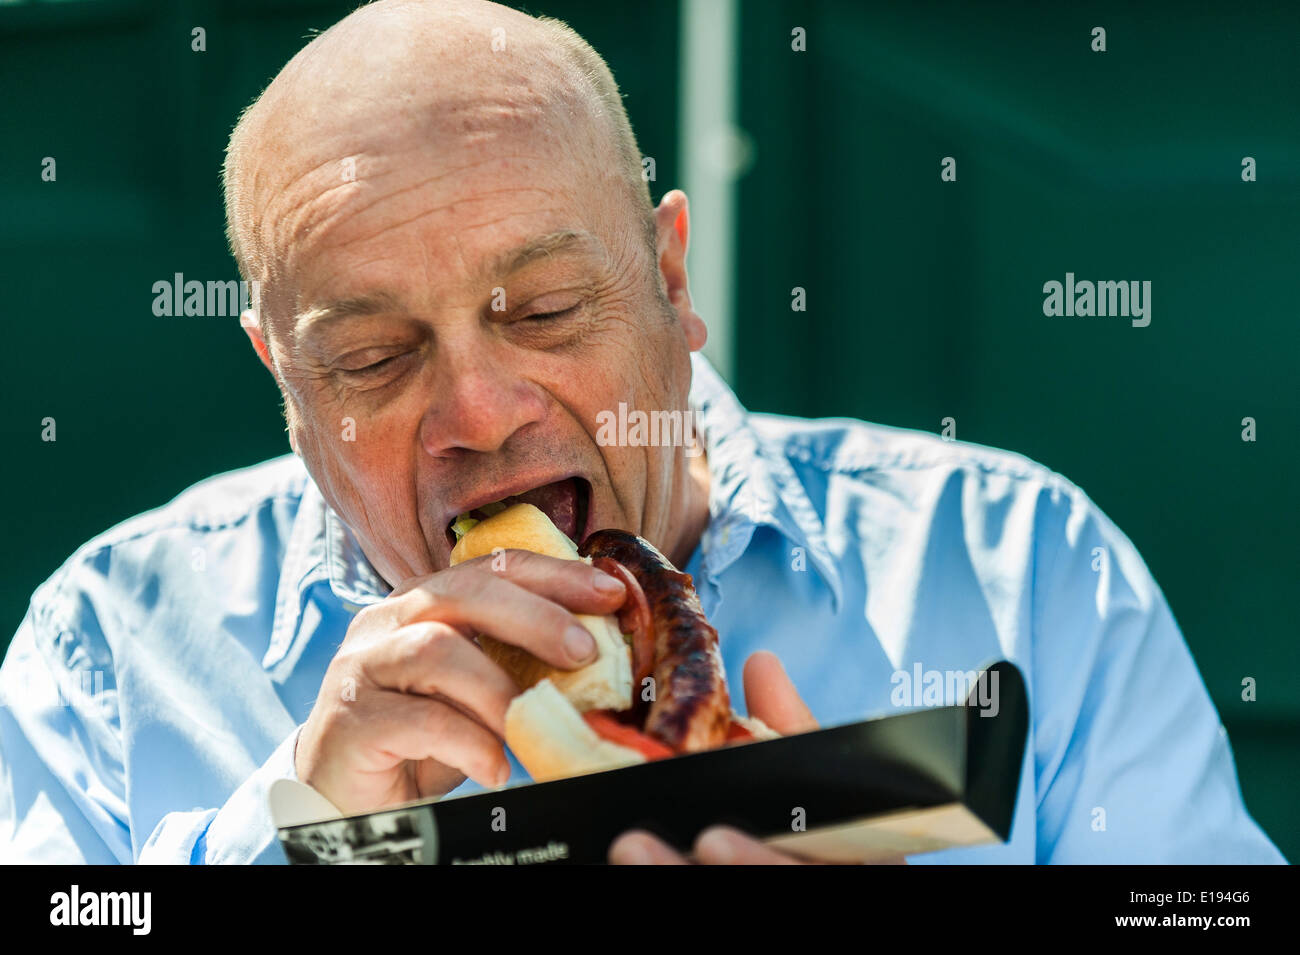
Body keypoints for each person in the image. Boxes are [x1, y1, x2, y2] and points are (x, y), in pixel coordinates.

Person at [0, 0, 1283, 865]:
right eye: (374, 355)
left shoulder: (1020, 570)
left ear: (672, 280)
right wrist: (302, 834)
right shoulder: (109, 649)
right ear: (281, 373)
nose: (481, 413)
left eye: (549, 309)